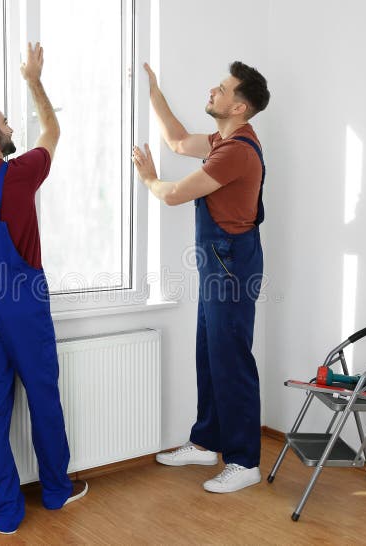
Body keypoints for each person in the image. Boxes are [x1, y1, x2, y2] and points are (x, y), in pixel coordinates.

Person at [0, 42, 87, 535]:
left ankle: (5, 513)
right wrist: (33, 80)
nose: (10, 129)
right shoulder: (19, 173)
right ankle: (55, 491)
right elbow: (53, 130)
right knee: (43, 398)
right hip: (23, 302)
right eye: (3, 122)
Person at [132, 61, 270, 493]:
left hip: (230, 266)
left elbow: (174, 194)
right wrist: (153, 90)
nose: (214, 89)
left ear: (240, 106)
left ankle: (244, 461)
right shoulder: (220, 140)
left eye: (224, 88)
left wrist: (149, 178)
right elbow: (175, 139)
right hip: (219, 262)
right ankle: (207, 442)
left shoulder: (237, 152)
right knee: (210, 354)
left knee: (232, 361)